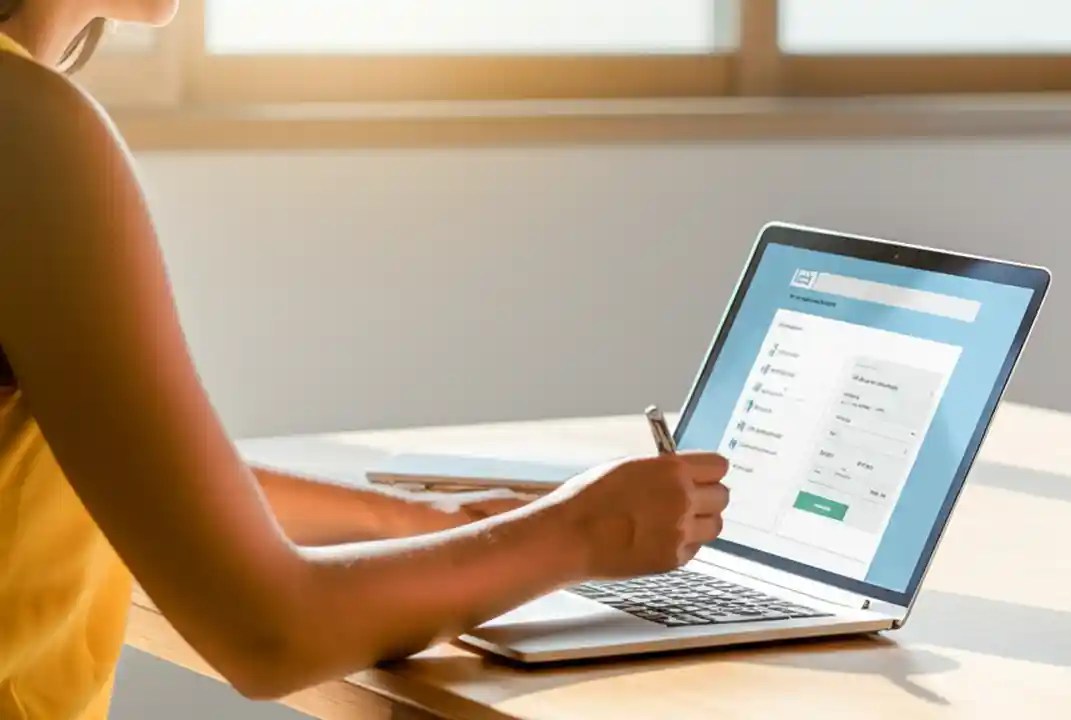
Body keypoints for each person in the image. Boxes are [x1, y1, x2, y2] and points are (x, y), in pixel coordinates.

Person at [0, 1, 731, 717]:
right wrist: (583, 533)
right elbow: (270, 632)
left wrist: (410, 519)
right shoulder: (32, 131)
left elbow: (113, 462)